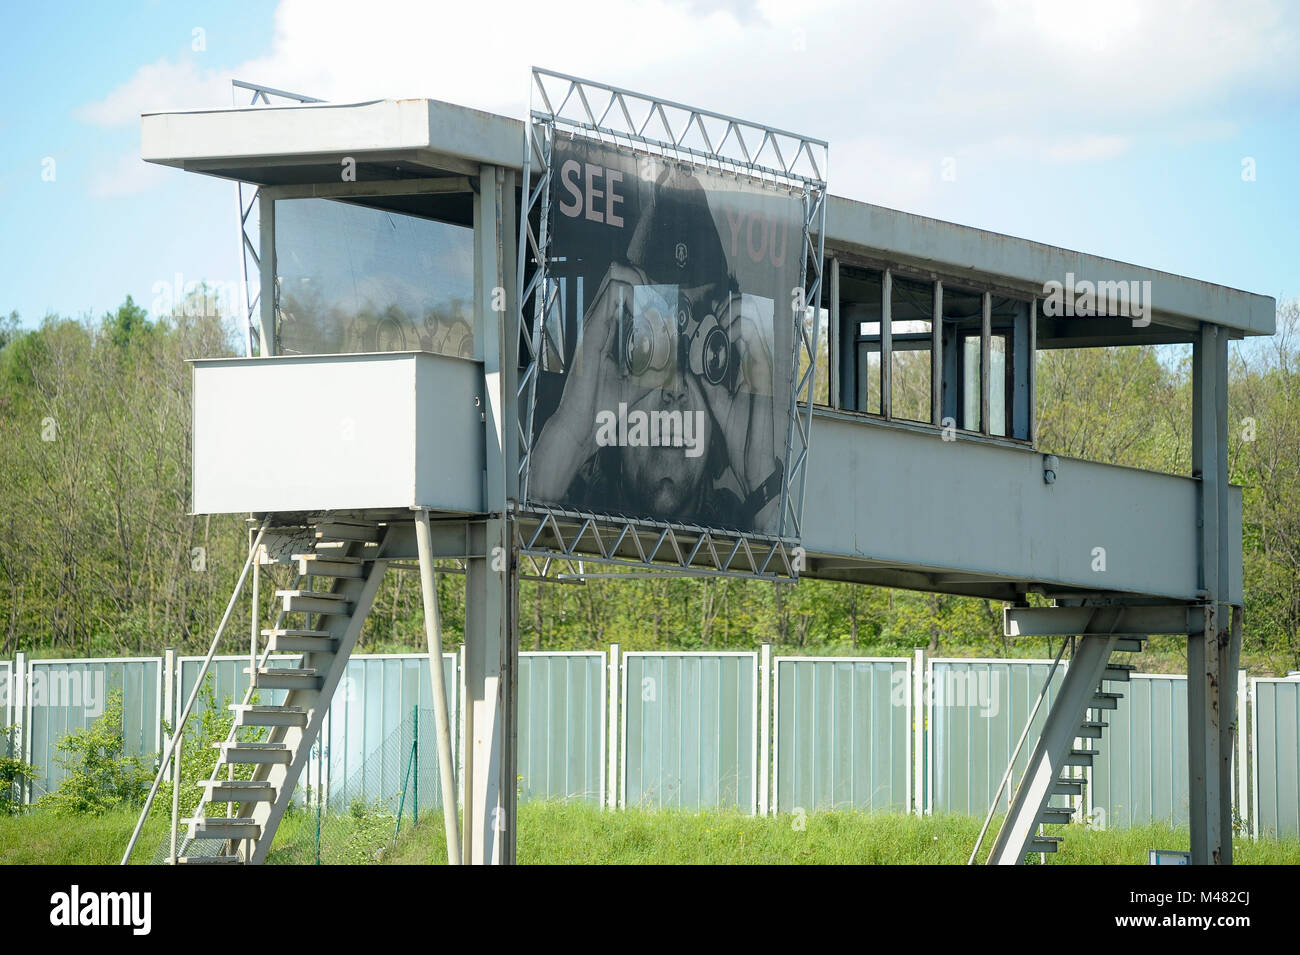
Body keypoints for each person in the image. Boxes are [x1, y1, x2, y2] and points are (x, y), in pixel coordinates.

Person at [529, 161, 783, 534]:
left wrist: (760, 478)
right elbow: (517, 547)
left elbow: (797, 578)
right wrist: (572, 437)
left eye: (703, 354)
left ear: (729, 372)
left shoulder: (753, 522)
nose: (673, 390)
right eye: (651, 350)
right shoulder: (565, 496)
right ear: (613, 360)